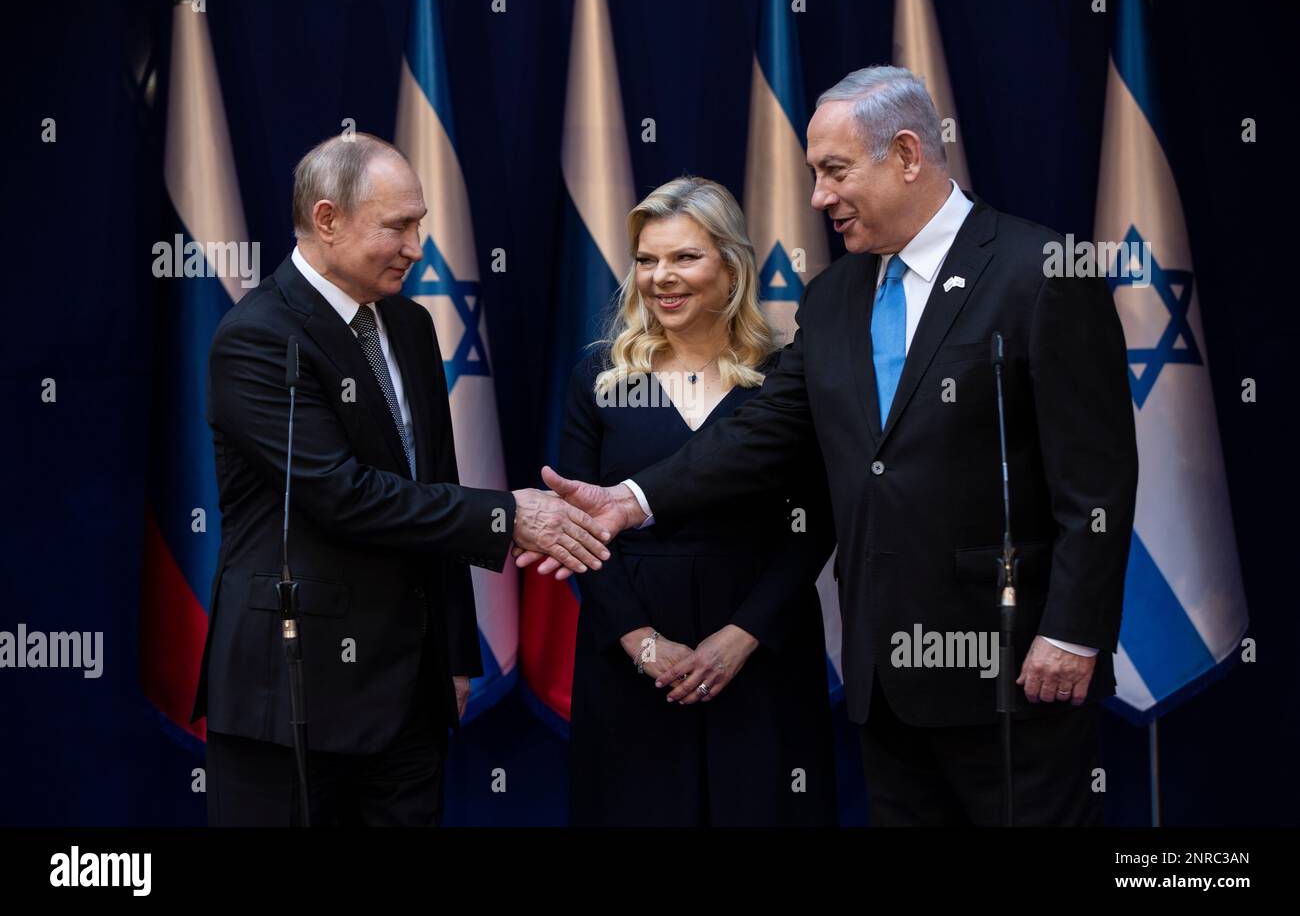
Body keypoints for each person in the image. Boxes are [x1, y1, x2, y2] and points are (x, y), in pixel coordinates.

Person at [525, 67, 1138, 826]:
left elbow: (1098, 482)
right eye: (815, 173)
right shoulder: (836, 294)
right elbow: (761, 431)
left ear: (907, 154)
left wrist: (1073, 632)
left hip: (1011, 664)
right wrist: (632, 500)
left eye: (834, 171)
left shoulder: (1038, 271)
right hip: (883, 676)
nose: (818, 197)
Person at [195, 132, 610, 826]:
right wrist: (509, 516)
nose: (418, 245)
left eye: (419, 223)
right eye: (399, 226)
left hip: (409, 698)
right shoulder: (258, 336)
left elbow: (433, 482)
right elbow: (341, 495)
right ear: (327, 220)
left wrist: (452, 654)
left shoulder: (412, 326)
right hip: (295, 695)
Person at [561, 177, 837, 826]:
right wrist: (643, 644)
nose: (662, 277)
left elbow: (814, 520)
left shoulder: (787, 377)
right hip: (629, 656)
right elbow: (576, 524)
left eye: (684, 257)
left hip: (762, 650)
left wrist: (740, 640)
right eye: (648, 259)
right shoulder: (598, 378)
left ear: (732, 264)